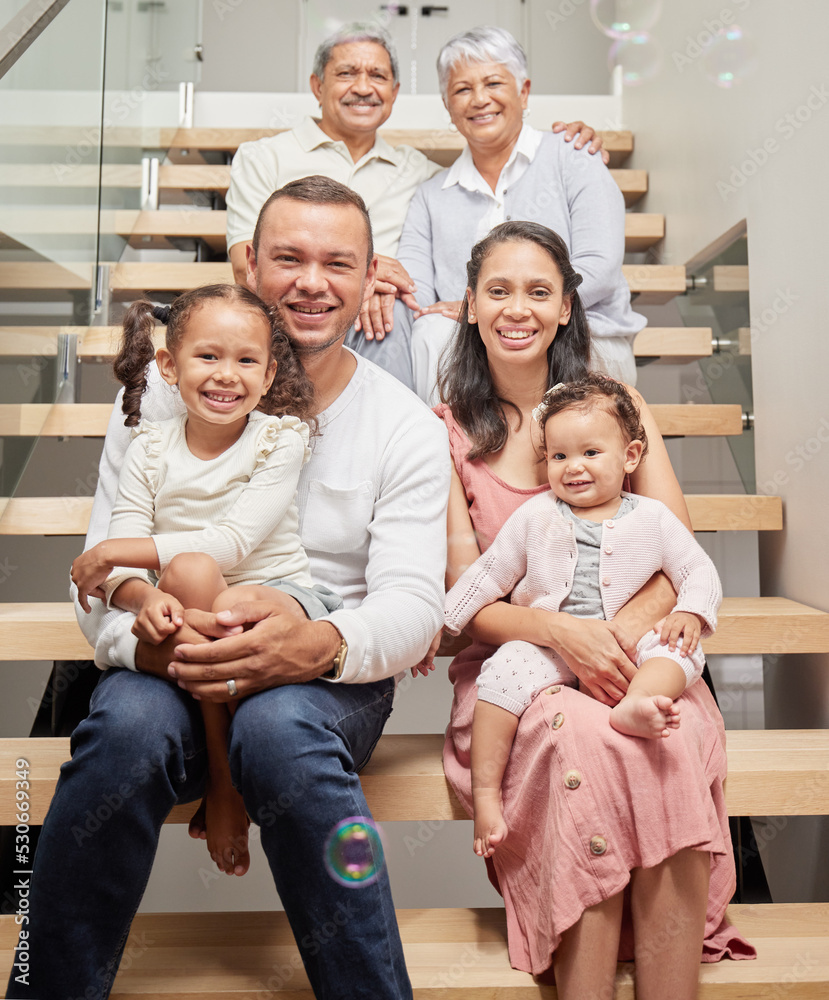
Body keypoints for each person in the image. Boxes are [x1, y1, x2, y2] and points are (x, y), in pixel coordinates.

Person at [8, 176, 450, 1000]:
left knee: (279, 732)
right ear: (248, 264)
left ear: (366, 280)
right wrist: (153, 634)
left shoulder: (403, 426)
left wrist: (317, 643)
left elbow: (414, 606)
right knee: (125, 734)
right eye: (287, 258)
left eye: (337, 264)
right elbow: (103, 576)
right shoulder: (152, 403)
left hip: (321, 678)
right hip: (171, 664)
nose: (311, 282)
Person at [432, 220, 754, 998]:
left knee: (664, 735)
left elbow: (675, 559)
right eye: (498, 291)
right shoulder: (443, 430)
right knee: (579, 738)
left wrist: (608, 642)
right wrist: (558, 633)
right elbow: (468, 600)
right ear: (469, 305)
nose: (518, 308)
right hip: (518, 668)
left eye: (539, 291)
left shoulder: (618, 406)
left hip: (637, 655)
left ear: (567, 306)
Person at [69, 284, 338, 877]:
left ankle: (221, 777)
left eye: (246, 361)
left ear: (269, 376)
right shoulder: (148, 448)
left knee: (195, 568)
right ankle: (223, 776)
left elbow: (231, 544)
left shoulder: (281, 438)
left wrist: (118, 557)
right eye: (208, 356)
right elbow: (126, 576)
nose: (227, 375)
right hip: (184, 603)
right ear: (168, 366)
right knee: (184, 577)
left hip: (271, 598)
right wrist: (144, 596)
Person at [226, 23, 607, 388]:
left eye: (377, 76)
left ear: (394, 91)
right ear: (317, 85)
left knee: (390, 318)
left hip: (378, 318)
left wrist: (372, 285)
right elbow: (250, 269)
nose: (363, 87)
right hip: (296, 310)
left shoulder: (422, 173)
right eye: (346, 73)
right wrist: (361, 278)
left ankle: (402, 447)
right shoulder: (264, 157)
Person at [443, 373, 723, 858]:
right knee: (501, 674)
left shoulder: (653, 520)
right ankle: (487, 795)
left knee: (676, 655)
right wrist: (441, 625)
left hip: (632, 646)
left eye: (591, 453)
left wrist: (693, 613)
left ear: (630, 457)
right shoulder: (534, 517)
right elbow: (488, 576)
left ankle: (639, 702)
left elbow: (697, 567)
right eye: (559, 456)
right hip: (550, 647)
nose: (574, 468)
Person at [384, 25, 645, 403]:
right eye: (461, 89)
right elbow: (416, 293)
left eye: (493, 83)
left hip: (584, 339)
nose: (478, 100)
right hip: (477, 350)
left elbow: (600, 267)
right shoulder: (430, 196)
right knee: (430, 332)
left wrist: (496, 308)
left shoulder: (573, 156)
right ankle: (447, 458)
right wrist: (480, 317)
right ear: (447, 106)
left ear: (523, 92)